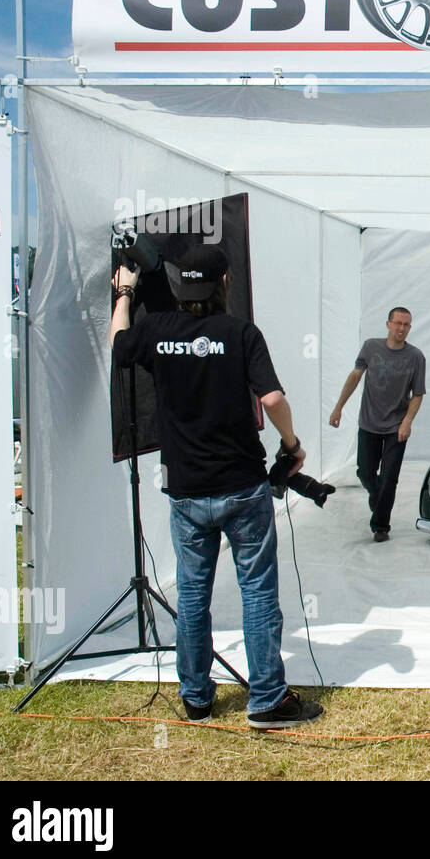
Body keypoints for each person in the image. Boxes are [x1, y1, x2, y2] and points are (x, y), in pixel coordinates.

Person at [110, 245, 323, 730]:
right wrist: (292, 445)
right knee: (257, 592)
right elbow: (271, 397)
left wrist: (124, 292)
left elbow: (119, 345)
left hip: (186, 491)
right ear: (224, 283)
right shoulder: (240, 333)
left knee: (191, 595)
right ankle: (267, 701)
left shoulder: (158, 330)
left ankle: (197, 699)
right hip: (242, 487)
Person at [329, 307, 426, 541]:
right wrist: (338, 407)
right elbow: (355, 376)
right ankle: (376, 496)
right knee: (365, 472)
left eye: (406, 325)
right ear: (388, 324)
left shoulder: (416, 357)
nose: (402, 328)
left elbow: (418, 394)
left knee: (389, 478)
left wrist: (407, 422)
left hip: (396, 427)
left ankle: (381, 525)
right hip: (369, 423)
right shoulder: (371, 347)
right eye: (398, 323)